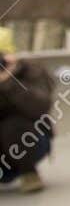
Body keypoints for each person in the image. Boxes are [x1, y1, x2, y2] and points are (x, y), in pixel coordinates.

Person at [0, 26, 52, 194]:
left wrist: (9, 83)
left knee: (14, 124)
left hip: (28, 143)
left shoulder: (31, 71)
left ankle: (30, 175)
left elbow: (40, 107)